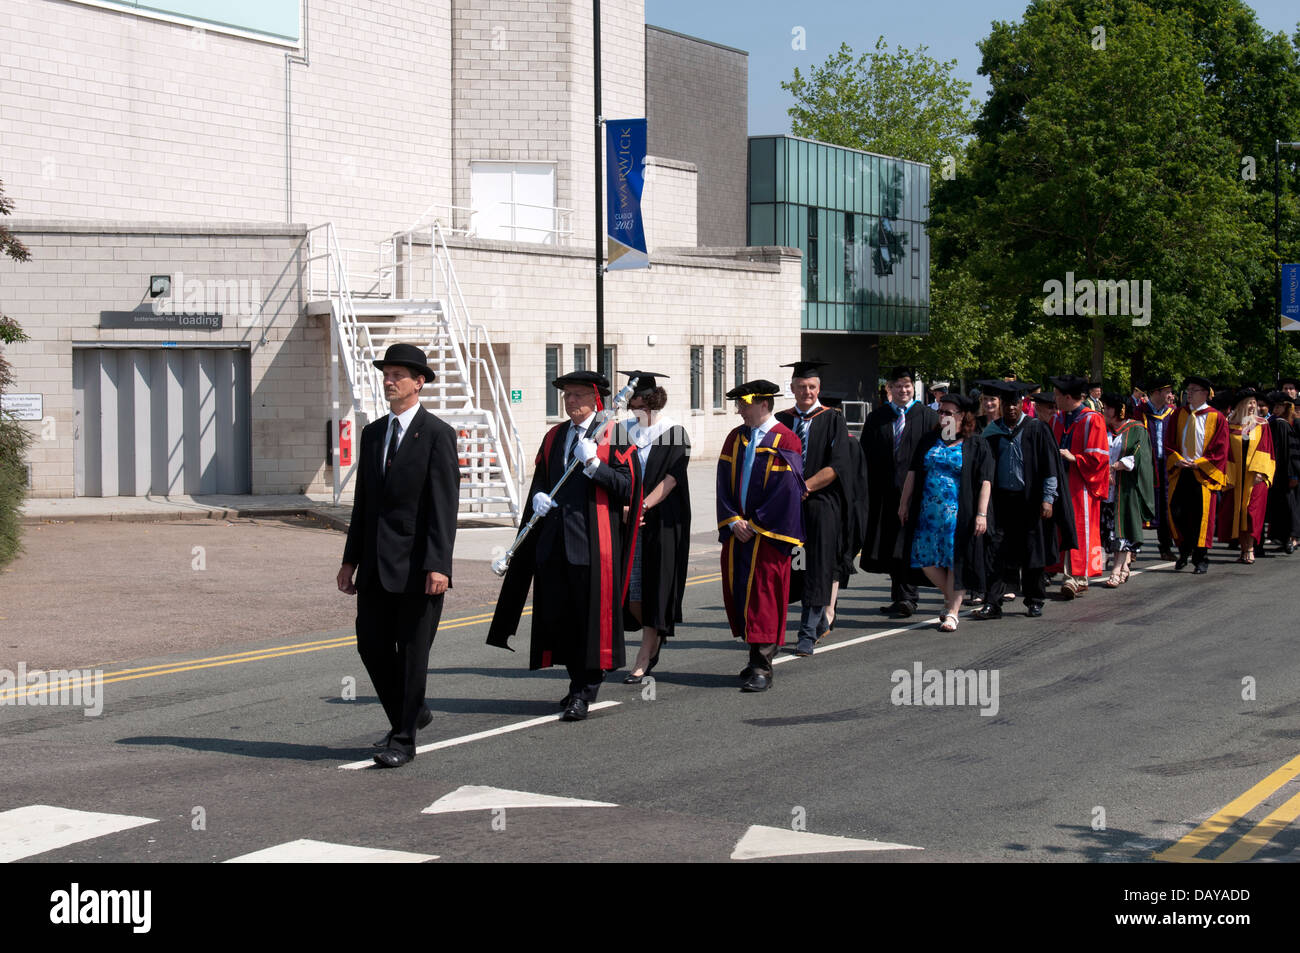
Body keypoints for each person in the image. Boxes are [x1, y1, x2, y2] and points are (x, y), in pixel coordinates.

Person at [487, 370, 640, 721]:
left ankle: (583, 691)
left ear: (595, 400)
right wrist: (539, 494)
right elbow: (543, 478)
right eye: (566, 395)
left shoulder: (614, 436)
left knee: (588, 621)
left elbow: (627, 487)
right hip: (554, 542)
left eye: (577, 395)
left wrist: (594, 464)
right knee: (564, 620)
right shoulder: (554, 436)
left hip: (592, 544)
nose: (570, 401)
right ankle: (577, 682)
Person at [337, 343, 461, 768]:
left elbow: (444, 507)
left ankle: (403, 740)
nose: (389, 381)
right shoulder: (374, 434)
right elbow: (363, 505)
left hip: (417, 567)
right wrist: (350, 559)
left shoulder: (438, 435)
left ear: (418, 382)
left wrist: (439, 565)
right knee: (370, 645)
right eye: (386, 374)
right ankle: (413, 710)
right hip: (374, 564)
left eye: (397, 375)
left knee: (411, 653)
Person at [718, 379, 804, 693]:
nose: (740, 410)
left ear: (763, 404)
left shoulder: (786, 438)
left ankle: (762, 667)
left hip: (769, 534)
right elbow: (722, 483)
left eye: (744, 404)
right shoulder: (736, 438)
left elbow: (786, 491)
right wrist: (733, 520)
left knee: (765, 597)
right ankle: (755, 654)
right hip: (738, 530)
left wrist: (754, 524)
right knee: (742, 593)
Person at [976, 380, 1074, 618]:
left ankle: (1034, 599)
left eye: (1016, 403)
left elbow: (1051, 469)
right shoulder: (991, 432)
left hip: (1030, 502)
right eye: (1007, 403)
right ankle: (993, 602)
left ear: (1022, 404)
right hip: (1000, 503)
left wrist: (1048, 499)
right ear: (1002, 406)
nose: (1011, 408)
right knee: (995, 552)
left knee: (1033, 552)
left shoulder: (1037, 429)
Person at [896, 393, 993, 632]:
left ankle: (952, 612)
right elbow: (913, 472)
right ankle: (951, 597)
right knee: (925, 560)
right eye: (940, 411)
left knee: (954, 562)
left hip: (958, 514)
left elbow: (985, 481)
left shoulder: (975, 443)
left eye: (948, 413)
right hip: (927, 513)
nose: (942, 416)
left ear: (962, 417)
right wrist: (904, 503)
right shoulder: (929, 439)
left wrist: (982, 514)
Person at [777, 359, 854, 655]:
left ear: (818, 388)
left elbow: (838, 465)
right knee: (797, 564)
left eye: (811, 387)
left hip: (821, 505)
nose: (806, 392)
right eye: (801, 387)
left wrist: (804, 486)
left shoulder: (832, 419)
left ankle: (807, 632)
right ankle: (803, 622)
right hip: (789, 509)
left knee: (817, 567)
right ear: (793, 388)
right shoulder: (783, 421)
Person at [622, 371, 690, 683]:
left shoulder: (675, 432)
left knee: (655, 588)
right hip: (627, 522)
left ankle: (644, 653)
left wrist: (643, 505)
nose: (628, 400)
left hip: (661, 523)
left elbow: (672, 478)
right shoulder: (621, 432)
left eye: (633, 396)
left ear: (647, 398)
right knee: (630, 592)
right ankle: (656, 632)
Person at [861, 366, 939, 617]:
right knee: (892, 544)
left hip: (918, 492)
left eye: (907, 386)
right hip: (885, 492)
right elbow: (865, 455)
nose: (903, 390)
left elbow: (943, 450)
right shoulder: (877, 418)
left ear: (913, 388)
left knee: (909, 543)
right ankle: (899, 596)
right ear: (889, 389)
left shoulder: (929, 416)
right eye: (897, 386)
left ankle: (908, 596)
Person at [1051, 375, 1110, 596]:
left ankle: (1075, 577)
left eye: (1057, 395)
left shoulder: (1092, 419)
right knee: (1063, 526)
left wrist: (1074, 458)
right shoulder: (1058, 419)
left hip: (1081, 483)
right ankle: (1073, 575)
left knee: (1080, 527)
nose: (1054, 399)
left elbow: (1099, 457)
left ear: (1068, 397)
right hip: (1060, 481)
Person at [1164, 376, 1229, 573]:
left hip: (1202, 474)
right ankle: (1183, 551)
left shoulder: (1217, 417)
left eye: (1194, 390)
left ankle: (1200, 558)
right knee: (1177, 513)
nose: (1188, 393)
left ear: (1206, 393)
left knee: (1201, 517)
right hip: (1181, 471)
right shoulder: (1178, 414)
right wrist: (1176, 459)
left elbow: (1220, 449)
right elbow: (1168, 442)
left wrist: (1199, 463)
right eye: (1188, 389)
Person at [1100, 393, 1155, 587]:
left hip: (1126, 489)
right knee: (1108, 531)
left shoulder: (1136, 429)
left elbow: (1138, 456)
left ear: (1120, 410)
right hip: (1106, 489)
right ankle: (1123, 567)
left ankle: (1116, 570)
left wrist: (1115, 467)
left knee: (1120, 530)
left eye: (1108, 408)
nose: (1104, 411)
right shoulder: (1103, 429)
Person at [1216, 387, 1275, 563]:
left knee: (1250, 513)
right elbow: (1224, 450)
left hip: (1254, 476)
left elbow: (1266, 449)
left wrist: (1260, 471)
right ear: (1241, 405)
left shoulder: (1262, 424)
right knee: (1237, 513)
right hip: (1234, 477)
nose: (1252, 406)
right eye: (1249, 402)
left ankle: (1250, 549)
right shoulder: (1229, 424)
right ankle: (1243, 550)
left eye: (1254, 403)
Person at [1129, 377, 1178, 560]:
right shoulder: (1139, 413)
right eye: (1167, 391)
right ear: (1156, 393)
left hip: (1166, 466)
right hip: (1145, 466)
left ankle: (1166, 547)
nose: (1170, 395)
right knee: (1140, 505)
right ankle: (1132, 548)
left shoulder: (1172, 413)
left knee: (1166, 507)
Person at [1264, 391, 1300, 553]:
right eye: (1275, 406)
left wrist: (1293, 474)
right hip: (1279, 473)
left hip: (1285, 473)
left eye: (1279, 406)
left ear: (1285, 407)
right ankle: (1285, 538)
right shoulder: (1276, 423)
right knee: (1281, 506)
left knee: (1288, 506)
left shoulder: (1283, 424)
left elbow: (1291, 453)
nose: (1276, 409)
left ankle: (1291, 538)